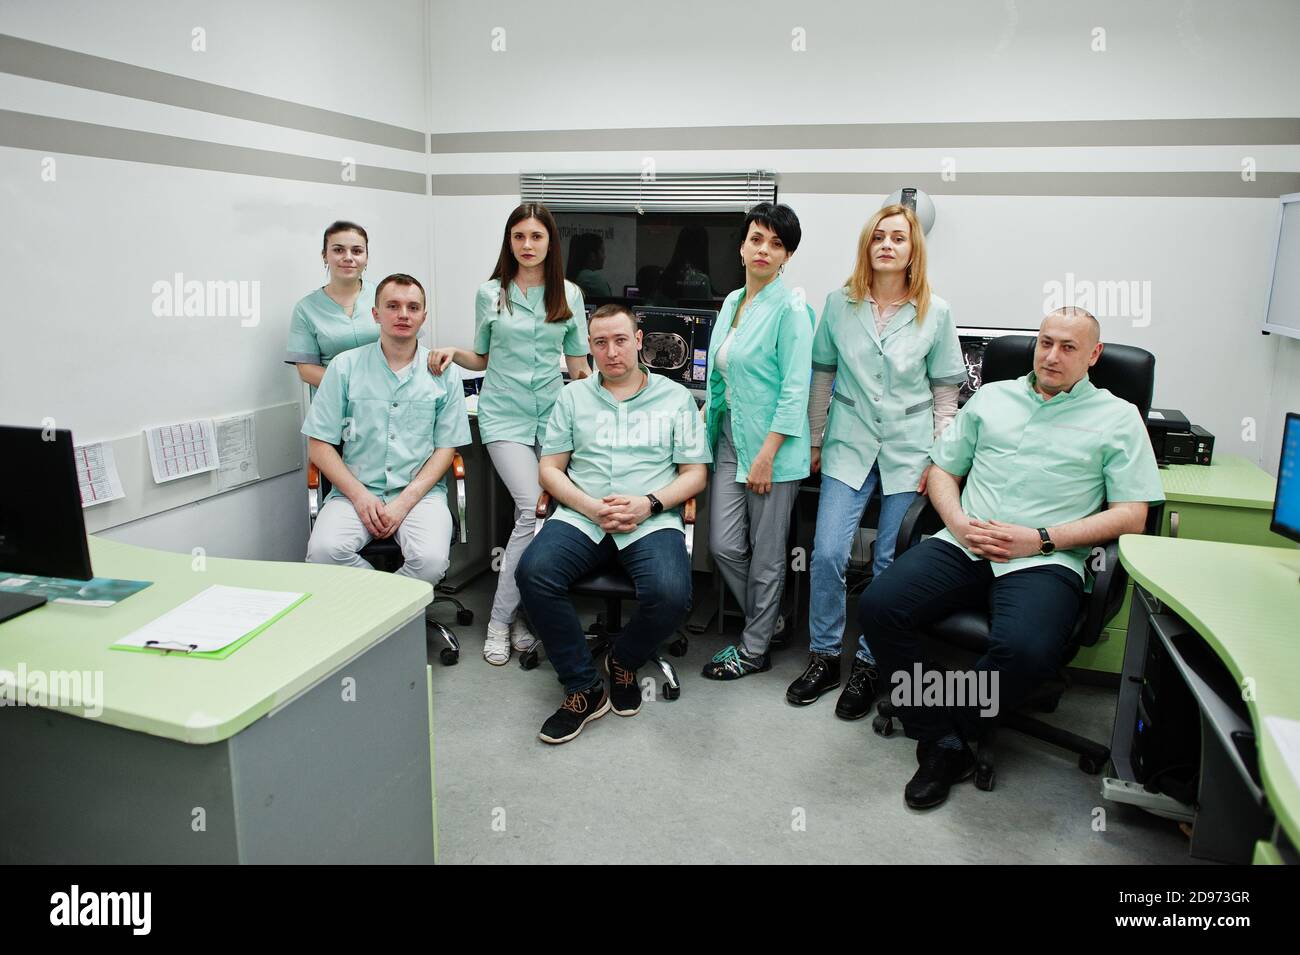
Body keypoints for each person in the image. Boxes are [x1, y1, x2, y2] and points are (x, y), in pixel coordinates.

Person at [859, 307, 1163, 809]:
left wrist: (1040, 538)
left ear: (1094, 355)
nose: (1052, 355)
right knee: (878, 606)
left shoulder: (1117, 418)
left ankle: (947, 726)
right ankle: (943, 735)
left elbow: (1132, 514)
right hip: (965, 541)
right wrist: (956, 522)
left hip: (1044, 557)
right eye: (1045, 342)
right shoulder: (993, 398)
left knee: (1025, 652)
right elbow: (941, 469)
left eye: (1068, 347)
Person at [787, 204, 965, 715]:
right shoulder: (839, 304)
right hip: (849, 443)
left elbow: (945, 392)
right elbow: (822, 375)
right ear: (868, 246)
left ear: (913, 251)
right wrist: (816, 439)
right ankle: (824, 655)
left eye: (899, 238)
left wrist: (941, 457)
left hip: (912, 451)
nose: (887, 245)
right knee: (826, 553)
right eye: (879, 237)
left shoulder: (937, 310)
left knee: (891, 562)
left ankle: (870, 663)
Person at [516, 304, 710, 744]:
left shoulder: (675, 398)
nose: (611, 351)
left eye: (621, 340)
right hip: (584, 516)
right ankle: (583, 687)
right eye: (600, 342)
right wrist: (588, 506)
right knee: (533, 573)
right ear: (590, 347)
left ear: (639, 341)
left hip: (649, 518)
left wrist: (648, 503)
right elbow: (549, 469)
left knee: (673, 594)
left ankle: (623, 659)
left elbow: (695, 473)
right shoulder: (572, 396)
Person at [429, 203, 589, 665]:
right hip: (504, 417)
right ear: (509, 242)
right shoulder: (490, 293)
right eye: (519, 236)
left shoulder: (569, 294)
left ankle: (520, 616)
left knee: (547, 515)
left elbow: (578, 369)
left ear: (550, 242)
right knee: (530, 509)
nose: (527, 245)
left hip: (555, 419)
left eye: (536, 236)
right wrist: (453, 351)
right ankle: (499, 622)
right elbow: (482, 358)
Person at [699, 202, 813, 680]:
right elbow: (721, 377)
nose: (764, 250)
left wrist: (767, 456)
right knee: (723, 545)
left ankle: (754, 648)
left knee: (766, 555)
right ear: (742, 246)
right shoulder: (731, 302)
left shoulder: (793, 309)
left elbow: (794, 390)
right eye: (757, 239)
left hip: (772, 449)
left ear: (787, 255)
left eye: (777, 243)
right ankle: (771, 620)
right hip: (730, 440)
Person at [304, 274, 471, 587]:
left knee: (431, 562)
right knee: (323, 553)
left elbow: (446, 449)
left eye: (412, 307)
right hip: (354, 492)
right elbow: (319, 445)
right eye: (392, 306)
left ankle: (382, 611)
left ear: (424, 316)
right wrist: (360, 496)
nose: (403, 314)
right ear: (376, 314)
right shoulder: (344, 367)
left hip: (419, 495)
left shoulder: (442, 373)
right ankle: (388, 609)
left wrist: (404, 502)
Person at [285, 221, 378, 391]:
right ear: (324, 255)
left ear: (366, 257)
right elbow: (306, 370)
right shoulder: (306, 308)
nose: (348, 257)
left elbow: (407, 347)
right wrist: (358, 387)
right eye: (338, 250)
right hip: (334, 401)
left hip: (386, 398)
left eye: (357, 251)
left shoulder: (384, 296)